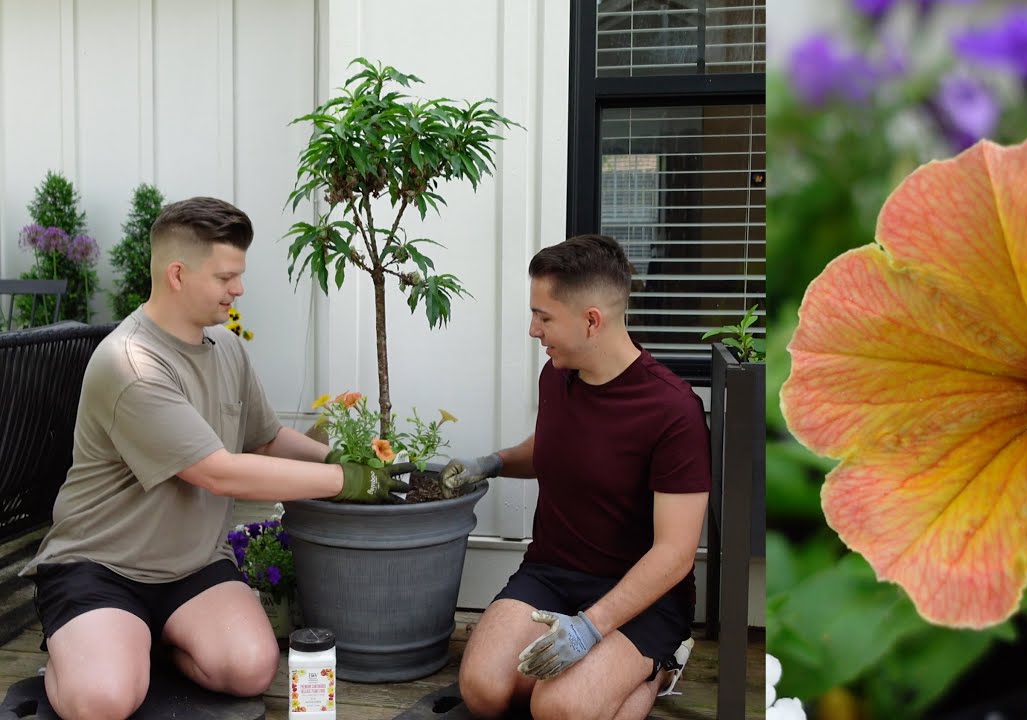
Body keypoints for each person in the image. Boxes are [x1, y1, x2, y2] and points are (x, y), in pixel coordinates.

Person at [19, 196, 406, 720]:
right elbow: (217, 473)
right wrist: (347, 481)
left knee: (251, 670)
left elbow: (266, 440)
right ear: (177, 274)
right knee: (102, 701)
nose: (239, 288)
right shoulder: (131, 363)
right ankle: (90, 651)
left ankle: (138, 642)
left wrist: (343, 456)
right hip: (101, 565)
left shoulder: (227, 348)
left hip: (193, 564)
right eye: (226, 277)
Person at [443, 234, 711, 720]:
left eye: (543, 317)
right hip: (551, 575)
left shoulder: (673, 411)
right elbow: (558, 450)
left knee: (558, 709)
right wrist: (494, 463)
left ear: (591, 320)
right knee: (483, 690)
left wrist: (591, 627)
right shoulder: (557, 375)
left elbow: (674, 554)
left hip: (639, 599)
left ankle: (660, 668)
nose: (533, 330)